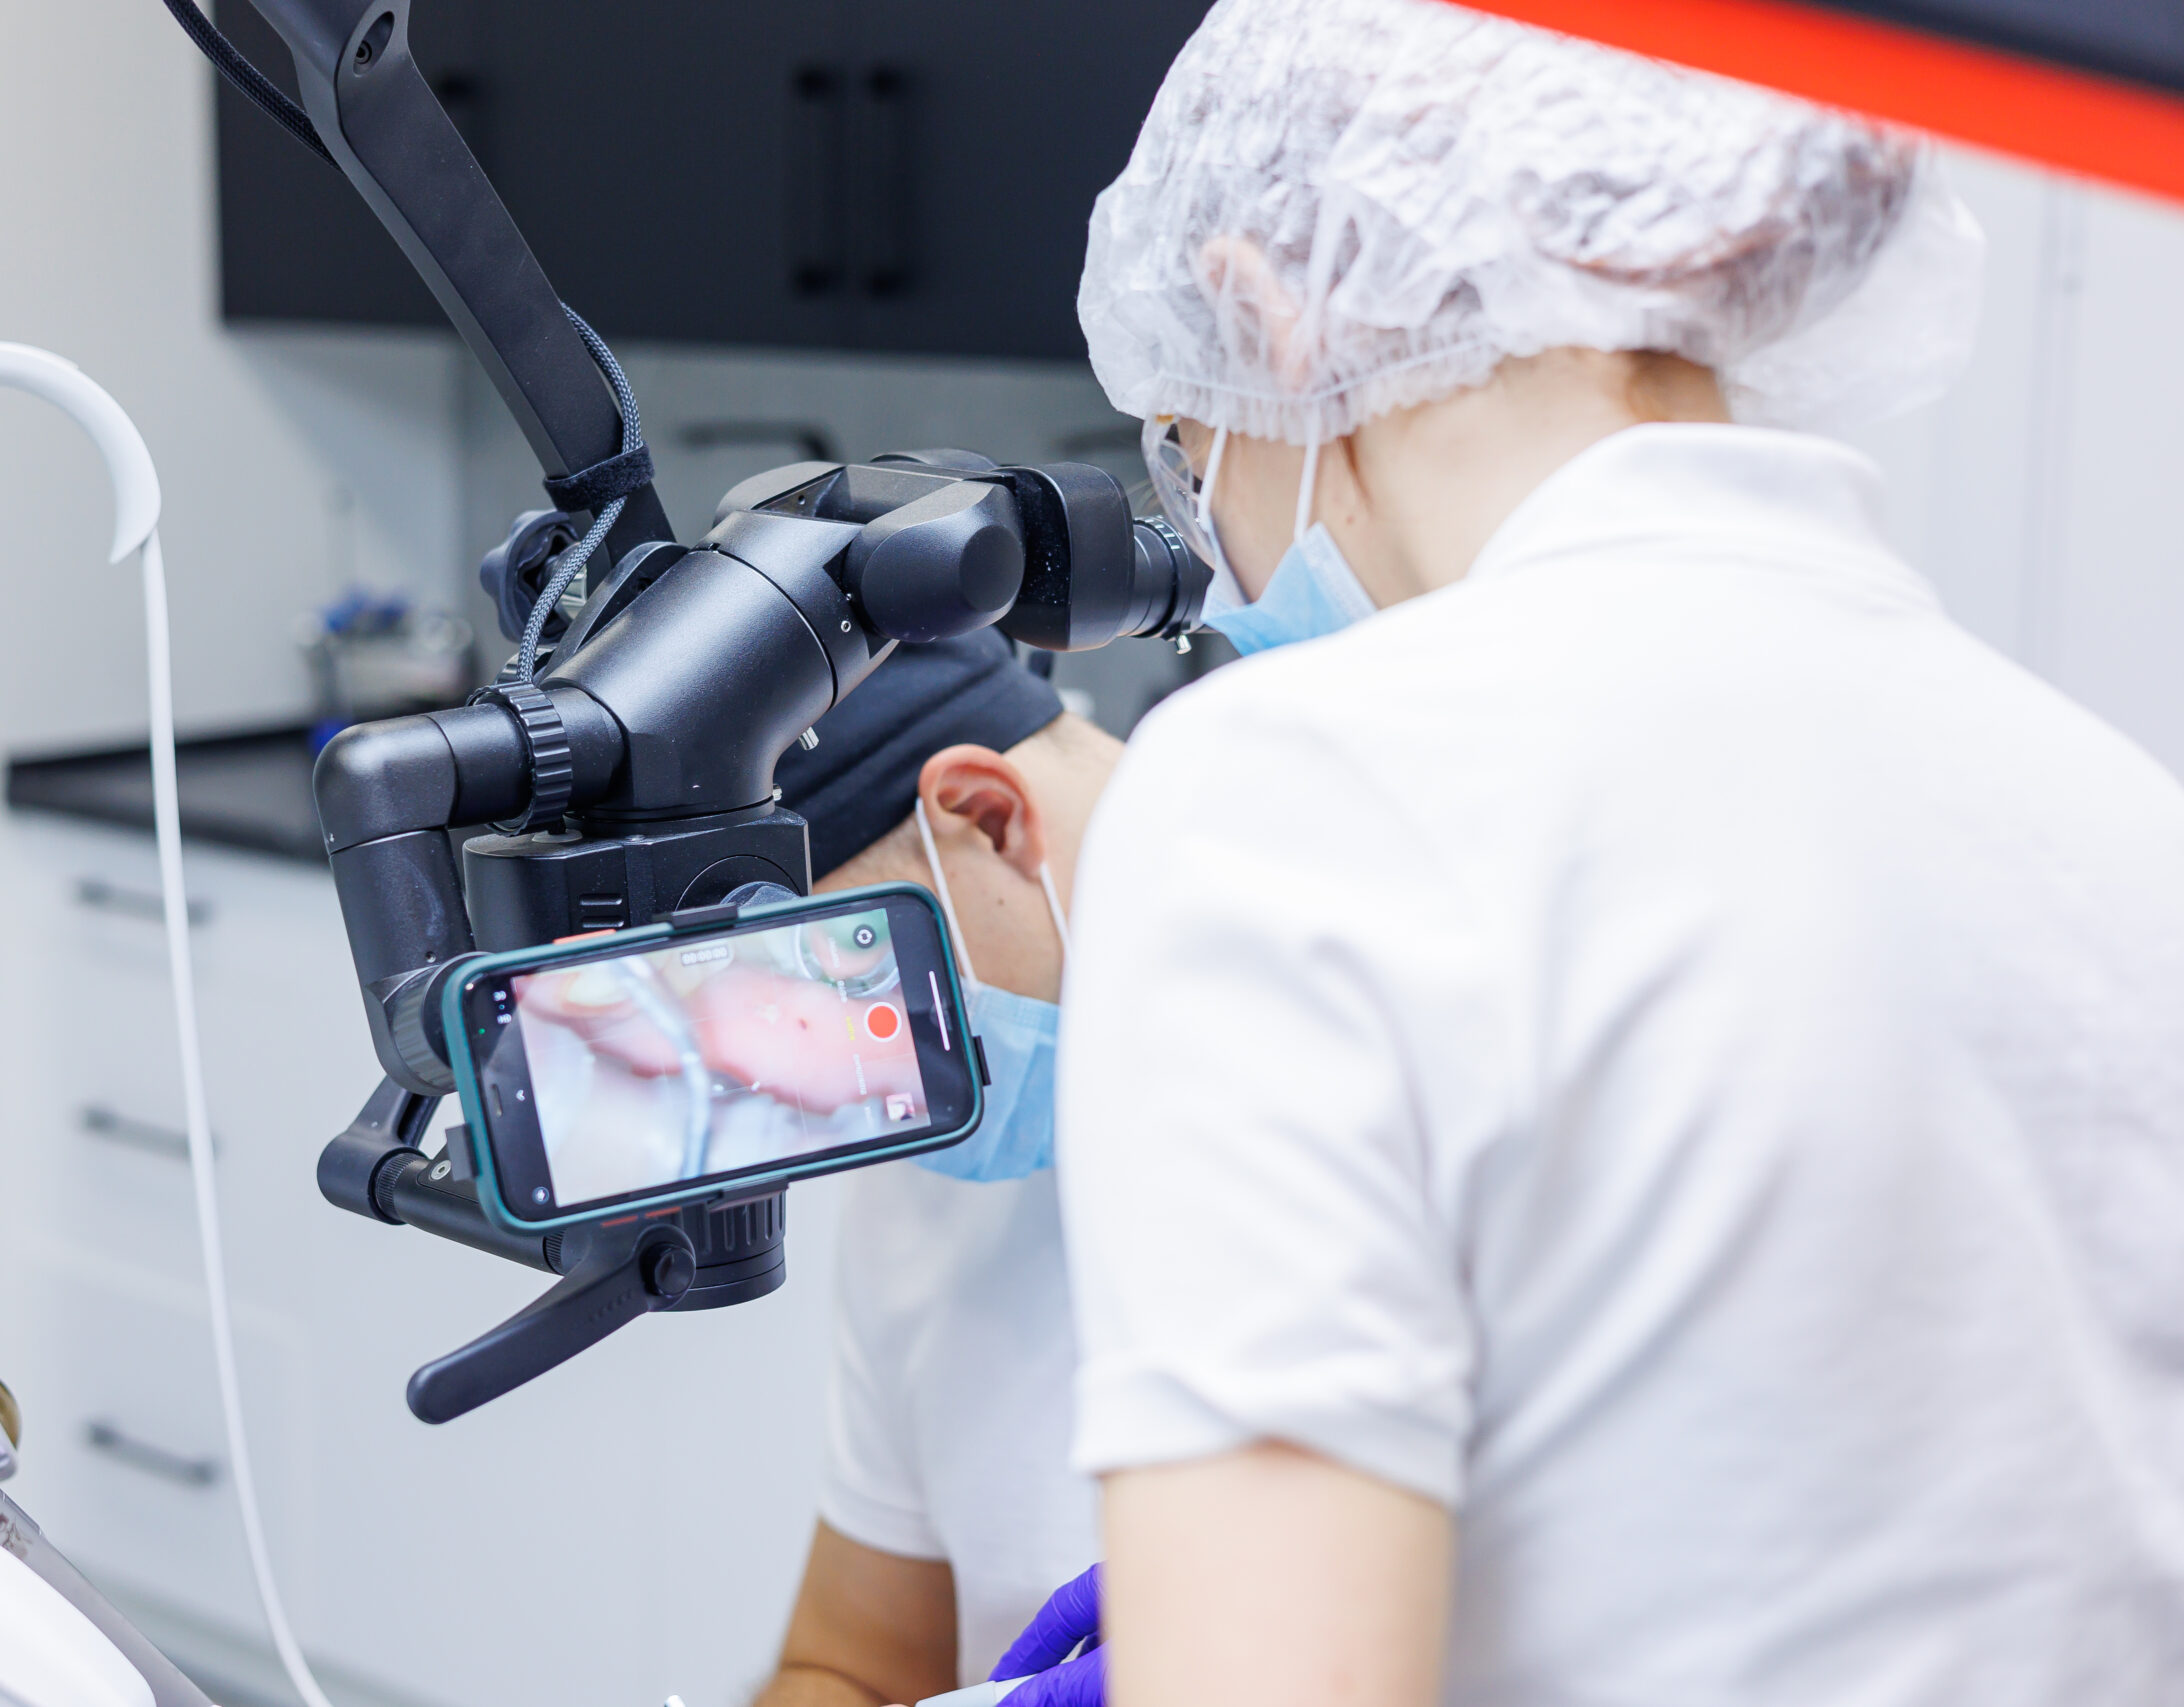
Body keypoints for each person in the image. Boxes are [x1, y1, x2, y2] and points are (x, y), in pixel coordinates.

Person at [1040, 2, 2184, 1705]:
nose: (1215, 542)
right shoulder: (2121, 820)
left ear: (1281, 323)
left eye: (1188, 458)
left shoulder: (1293, 792)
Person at [747, 633, 1126, 1707]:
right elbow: (849, 1667)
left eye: (851, 1019)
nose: (855, 1094)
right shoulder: (930, 1161)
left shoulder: (1405, 1048)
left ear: (984, 815)